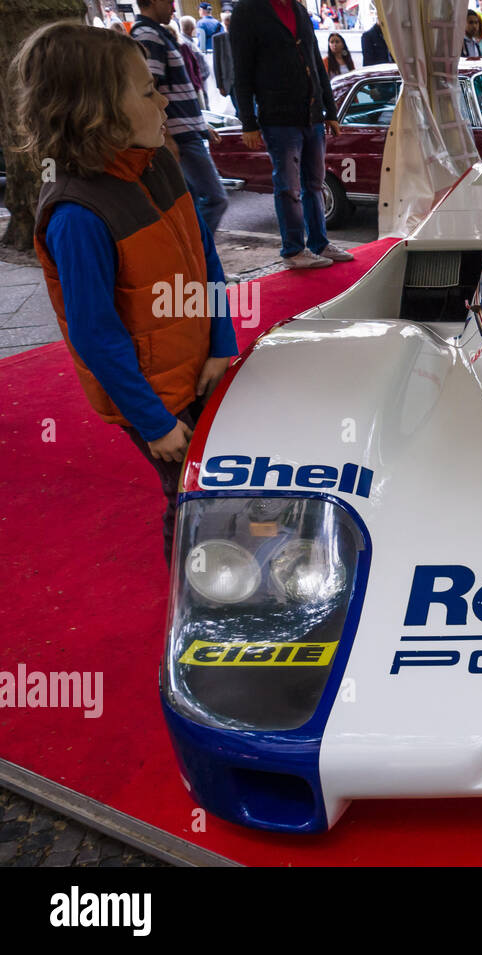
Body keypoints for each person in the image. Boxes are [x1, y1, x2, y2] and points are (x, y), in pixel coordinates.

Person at [16, 23, 238, 565]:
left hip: (197, 363)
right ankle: (196, 605)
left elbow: (204, 256)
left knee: (223, 482)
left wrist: (220, 341)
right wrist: (154, 420)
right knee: (187, 498)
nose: (163, 98)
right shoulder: (76, 214)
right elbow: (96, 334)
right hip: (155, 396)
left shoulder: (159, 160)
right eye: (146, 90)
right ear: (97, 113)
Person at [231, 0, 354, 269]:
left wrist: (330, 111)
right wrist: (248, 122)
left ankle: (319, 243)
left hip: (312, 114)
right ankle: (293, 250)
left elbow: (316, 63)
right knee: (288, 187)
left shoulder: (298, 10)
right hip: (278, 116)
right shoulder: (248, 11)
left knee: (314, 184)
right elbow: (241, 71)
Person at [132, 0, 228, 233]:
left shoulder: (154, 33)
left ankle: (194, 261)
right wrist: (168, 136)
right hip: (179, 136)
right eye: (169, 2)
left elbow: (167, 91)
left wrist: (198, 123)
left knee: (191, 203)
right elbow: (148, 90)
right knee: (214, 199)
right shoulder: (148, 35)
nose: (174, 7)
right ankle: (195, 256)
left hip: (184, 131)